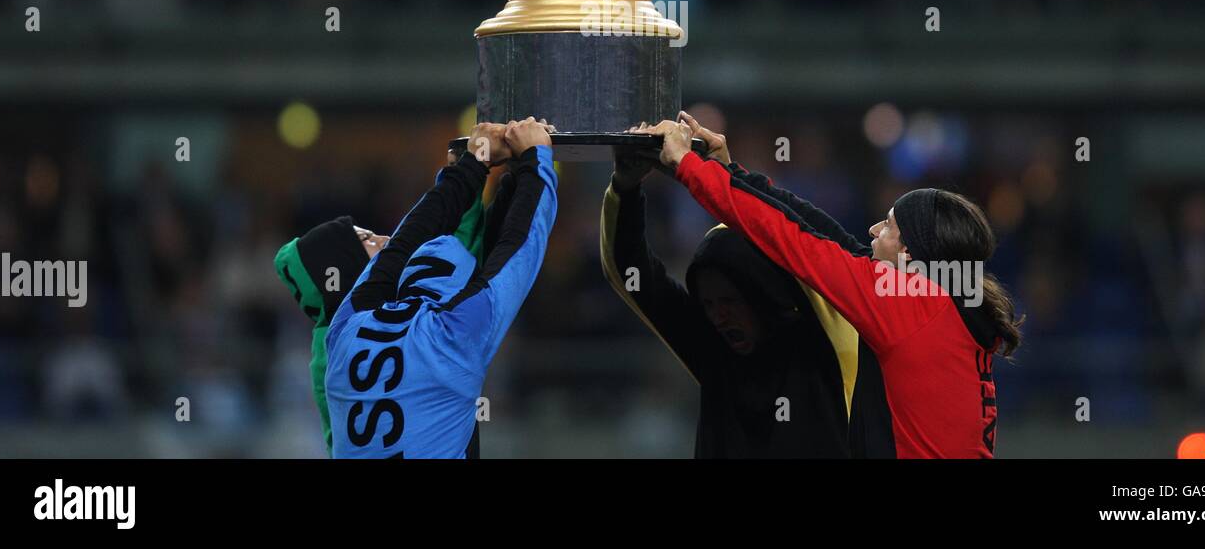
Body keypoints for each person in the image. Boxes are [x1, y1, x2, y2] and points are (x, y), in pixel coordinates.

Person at [652, 117, 1023, 458]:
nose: (875, 230)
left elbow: (789, 238)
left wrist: (688, 166)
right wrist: (729, 171)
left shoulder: (903, 305)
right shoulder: (946, 297)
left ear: (909, 252)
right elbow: (822, 233)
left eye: (889, 225)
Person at [600, 113, 895, 457]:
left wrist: (723, 175)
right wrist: (625, 186)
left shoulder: (831, 338)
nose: (719, 316)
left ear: (764, 293)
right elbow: (632, 274)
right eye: (708, 304)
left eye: (729, 301)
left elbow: (800, 236)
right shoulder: (714, 350)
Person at [325, 118, 556, 458]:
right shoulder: (453, 334)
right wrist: (533, 159)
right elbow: (521, 248)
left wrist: (479, 161)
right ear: (457, 295)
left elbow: (404, 243)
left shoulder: (347, 329)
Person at [274, 148, 492, 453]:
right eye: (367, 240)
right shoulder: (336, 347)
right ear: (346, 269)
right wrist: (464, 177)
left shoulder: (365, 319)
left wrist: (466, 186)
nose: (384, 240)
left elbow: (455, 253)